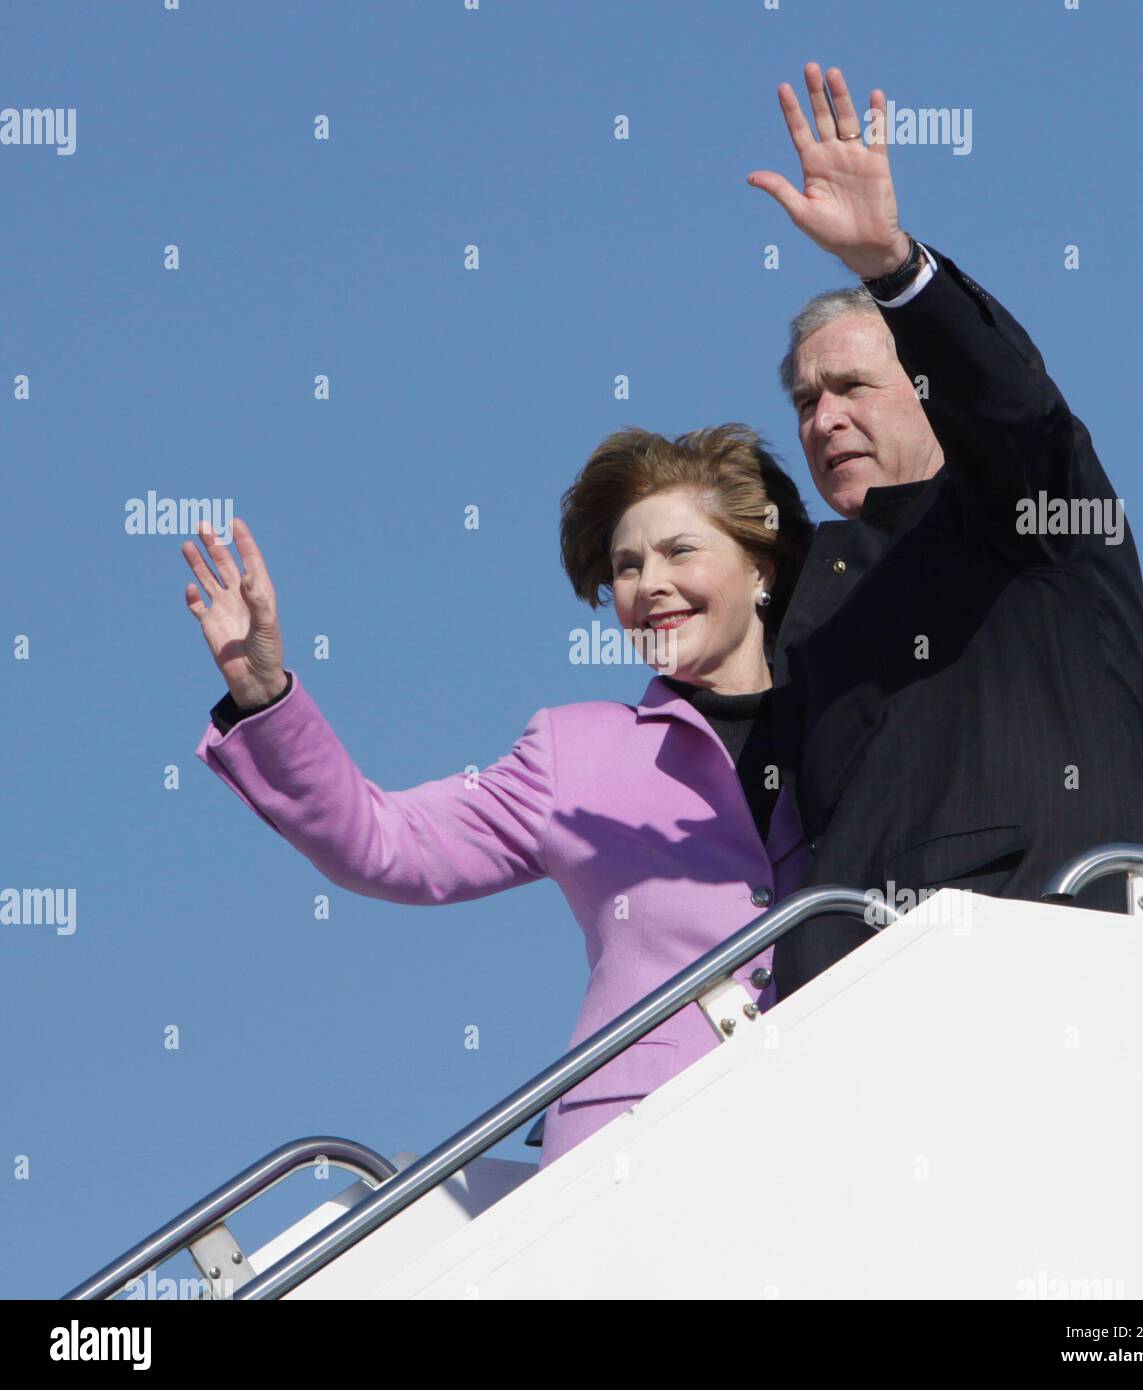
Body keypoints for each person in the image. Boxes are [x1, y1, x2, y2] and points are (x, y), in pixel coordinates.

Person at [183, 425, 814, 1168]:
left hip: (837, 1115)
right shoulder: (573, 751)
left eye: (681, 551)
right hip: (635, 1156)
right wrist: (264, 697)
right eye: (627, 566)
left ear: (761, 566)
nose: (651, 585)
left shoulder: (859, 718)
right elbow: (384, 844)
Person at [746, 63, 1143, 1002]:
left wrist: (892, 269)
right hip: (851, 1015)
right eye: (805, 401)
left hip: (1055, 953)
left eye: (853, 388)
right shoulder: (807, 596)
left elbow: (1011, 403)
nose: (823, 420)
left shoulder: (1027, 511)